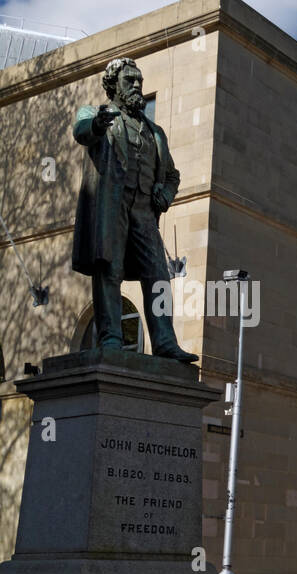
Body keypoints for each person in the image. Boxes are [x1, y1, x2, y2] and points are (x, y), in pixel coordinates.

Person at [72, 58, 198, 362]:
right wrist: (98, 124)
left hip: (143, 212)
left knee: (158, 275)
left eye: (139, 80)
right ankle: (111, 338)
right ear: (114, 85)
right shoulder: (97, 114)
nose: (138, 85)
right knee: (109, 270)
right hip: (110, 209)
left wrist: (165, 194)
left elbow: (172, 174)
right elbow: (82, 130)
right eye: (130, 80)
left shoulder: (155, 132)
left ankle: (166, 342)